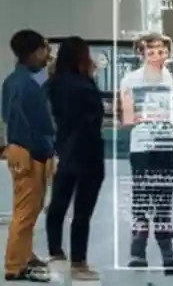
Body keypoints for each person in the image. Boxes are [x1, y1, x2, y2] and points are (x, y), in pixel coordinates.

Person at [118, 33, 173, 274]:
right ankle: (138, 251)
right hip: (144, 146)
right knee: (143, 198)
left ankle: (167, 253)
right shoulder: (130, 79)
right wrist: (152, 116)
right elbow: (127, 117)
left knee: (165, 200)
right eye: (152, 49)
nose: (157, 54)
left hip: (169, 145)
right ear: (141, 53)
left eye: (162, 49)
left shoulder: (171, 79)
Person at [43, 37, 105, 281]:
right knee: (82, 210)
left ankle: (55, 254)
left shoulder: (53, 83)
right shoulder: (84, 84)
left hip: (64, 149)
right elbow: (93, 119)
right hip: (88, 151)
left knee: (58, 203)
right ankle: (79, 262)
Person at [3, 29, 54, 283]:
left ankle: (24, 254)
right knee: (25, 213)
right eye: (44, 49)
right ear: (34, 52)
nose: (47, 55)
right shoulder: (29, 86)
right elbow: (43, 124)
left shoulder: (12, 81)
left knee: (25, 209)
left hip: (18, 150)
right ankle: (14, 266)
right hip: (31, 153)